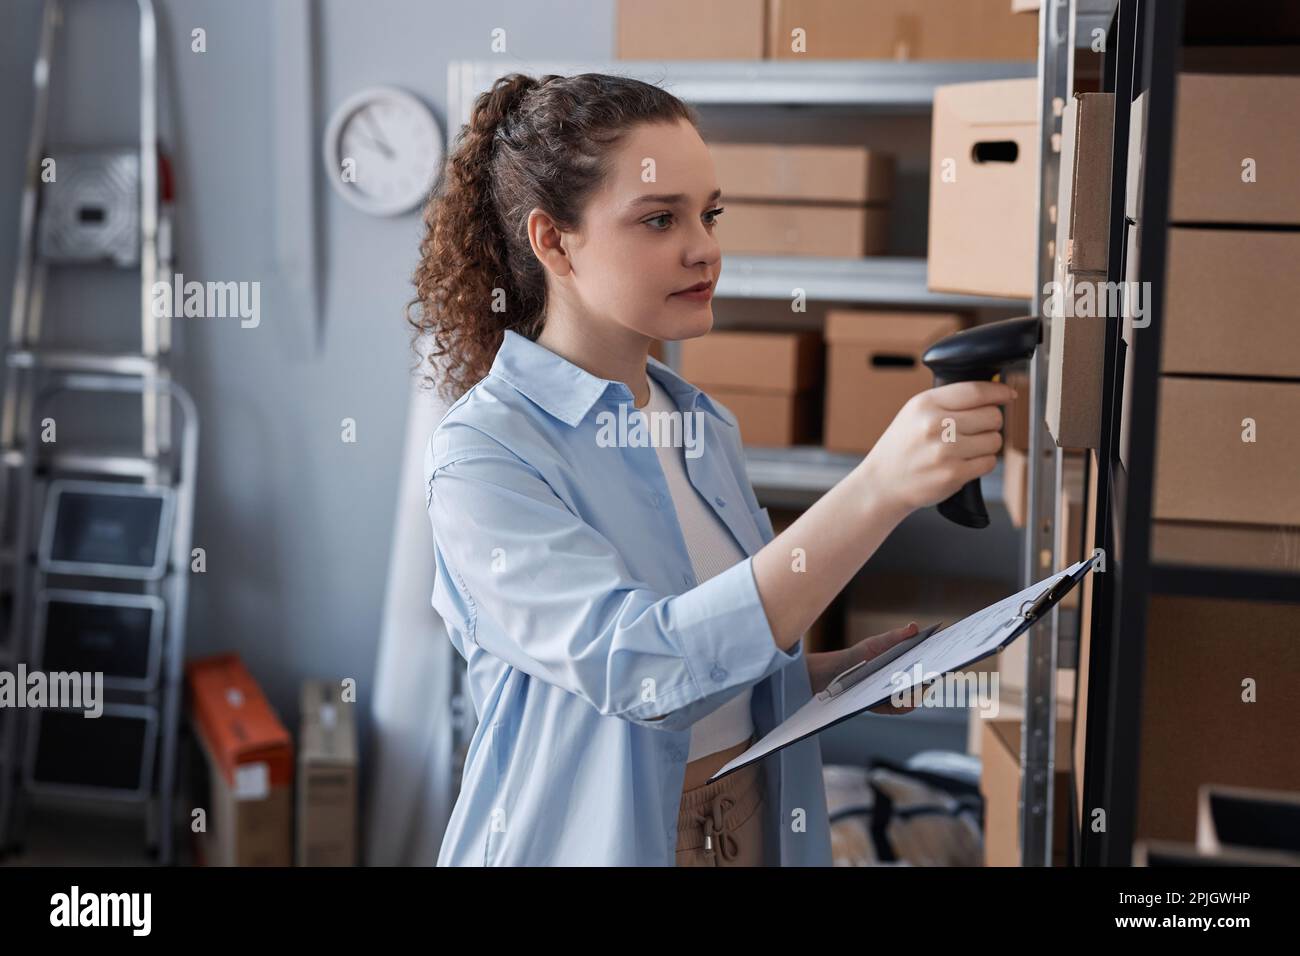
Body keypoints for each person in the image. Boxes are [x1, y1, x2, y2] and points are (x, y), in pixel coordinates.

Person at [406, 72, 1014, 866]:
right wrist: (879, 488)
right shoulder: (485, 456)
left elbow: (712, 660)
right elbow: (647, 671)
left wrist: (825, 680)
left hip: (749, 816)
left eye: (709, 213)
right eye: (659, 219)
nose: (705, 248)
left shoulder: (698, 422)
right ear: (552, 241)